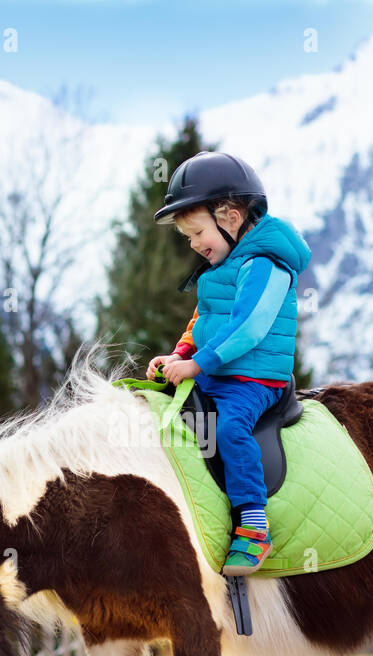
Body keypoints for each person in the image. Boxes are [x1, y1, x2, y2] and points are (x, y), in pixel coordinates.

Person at [146, 151, 311, 576]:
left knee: (230, 426)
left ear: (231, 217)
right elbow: (201, 320)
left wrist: (198, 364)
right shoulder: (218, 268)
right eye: (187, 237)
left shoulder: (265, 263)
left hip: (254, 380)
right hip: (216, 371)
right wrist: (178, 356)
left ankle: (254, 527)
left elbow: (250, 328)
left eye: (198, 232)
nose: (194, 244)